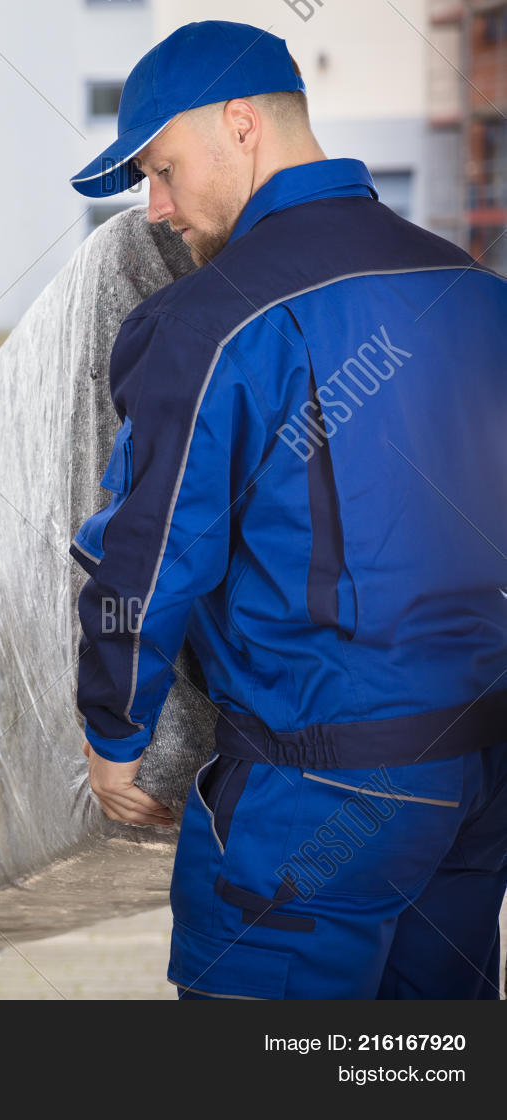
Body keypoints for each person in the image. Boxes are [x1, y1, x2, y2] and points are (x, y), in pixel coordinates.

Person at [67, 21, 507, 999]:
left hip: (319, 794)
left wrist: (113, 736)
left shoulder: (204, 323)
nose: (157, 207)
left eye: (164, 168)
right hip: (475, 778)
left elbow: (147, 557)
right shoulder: (474, 293)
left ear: (239, 124)